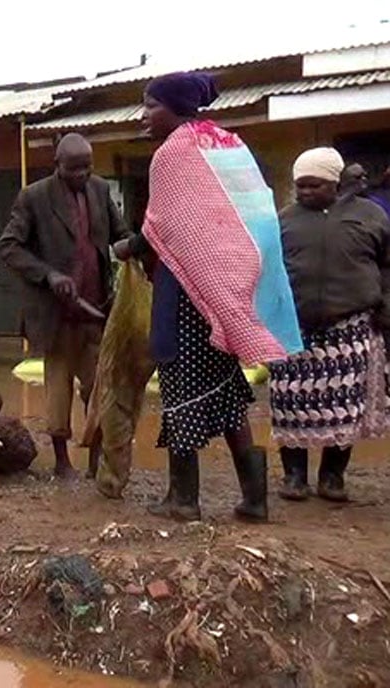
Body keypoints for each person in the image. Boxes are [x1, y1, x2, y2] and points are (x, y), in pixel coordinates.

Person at [113, 72, 302, 522]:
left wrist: (128, 248)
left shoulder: (173, 154)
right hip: (222, 296)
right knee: (228, 396)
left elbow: (164, 228)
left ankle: (184, 500)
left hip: (184, 294)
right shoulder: (225, 144)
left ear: (175, 107)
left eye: (150, 105)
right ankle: (255, 500)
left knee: (180, 391)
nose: (144, 115)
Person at [0, 133, 130, 480]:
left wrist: (141, 246)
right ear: (58, 165)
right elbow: (10, 247)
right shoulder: (34, 197)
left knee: (99, 387)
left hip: (96, 310)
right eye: (75, 169)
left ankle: (95, 460)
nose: (83, 174)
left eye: (88, 167)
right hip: (56, 315)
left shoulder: (100, 190)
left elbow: (119, 234)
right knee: (58, 389)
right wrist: (49, 276)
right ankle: (61, 462)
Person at [270, 148, 390, 502]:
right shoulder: (285, 219)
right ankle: (294, 477)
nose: (305, 192)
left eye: (314, 185)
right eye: (300, 186)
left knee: (343, 405)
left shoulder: (370, 215)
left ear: (335, 183)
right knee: (291, 405)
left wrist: (384, 311)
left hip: (349, 325)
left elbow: (386, 266)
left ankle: (332, 477)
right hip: (295, 328)